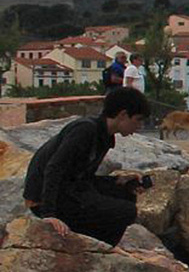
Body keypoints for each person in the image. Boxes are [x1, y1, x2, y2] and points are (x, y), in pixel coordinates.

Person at [21, 87, 153, 245]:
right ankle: (100, 247)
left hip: (68, 190)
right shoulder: (85, 130)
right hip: (43, 200)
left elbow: (83, 177)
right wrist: (49, 214)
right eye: (138, 119)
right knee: (126, 211)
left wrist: (118, 181)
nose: (139, 126)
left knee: (126, 193)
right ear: (123, 115)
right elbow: (54, 168)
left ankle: (98, 242)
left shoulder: (104, 136)